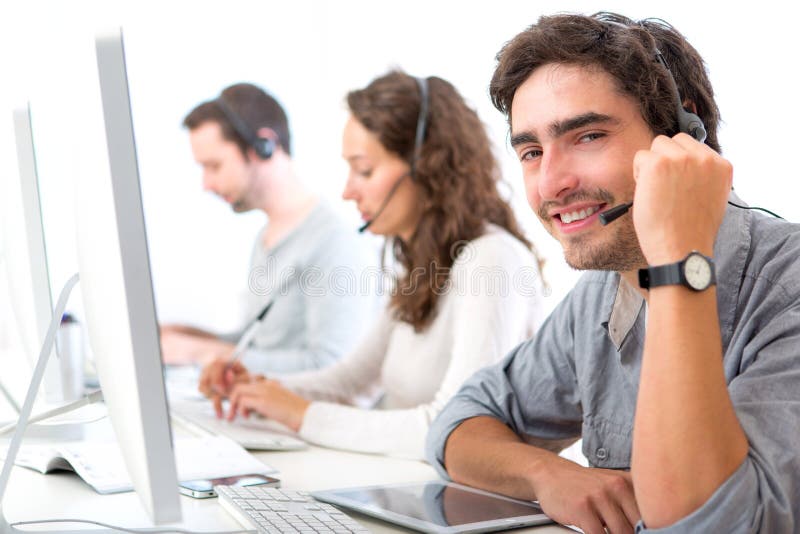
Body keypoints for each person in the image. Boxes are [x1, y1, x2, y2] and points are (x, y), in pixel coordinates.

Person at [426, 12, 800, 534]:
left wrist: (679, 256)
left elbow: (713, 524)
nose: (551, 184)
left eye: (588, 136)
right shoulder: (604, 290)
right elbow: (457, 425)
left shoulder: (788, 286)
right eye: (532, 151)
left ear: (682, 135)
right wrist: (547, 473)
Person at [198, 71, 546, 459]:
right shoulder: (424, 266)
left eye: (364, 170)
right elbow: (351, 381)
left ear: (426, 166)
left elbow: (454, 426)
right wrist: (262, 389)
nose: (348, 191)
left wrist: (302, 414)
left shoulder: (492, 261)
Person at [160, 83, 379, 374]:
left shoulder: (336, 244)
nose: (206, 184)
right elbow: (261, 347)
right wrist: (191, 338)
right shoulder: (265, 238)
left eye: (214, 166)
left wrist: (202, 352)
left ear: (264, 147)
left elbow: (332, 367)